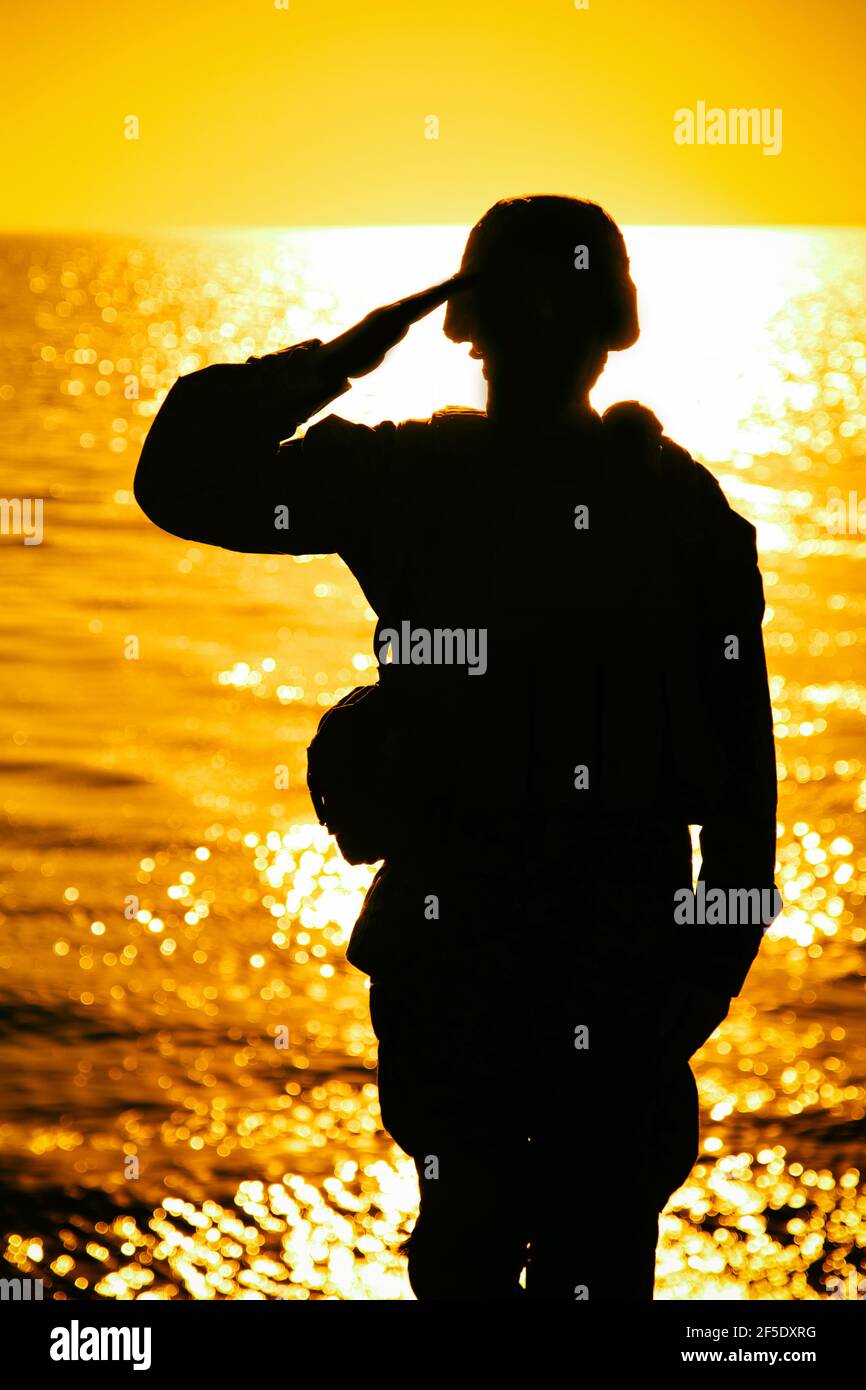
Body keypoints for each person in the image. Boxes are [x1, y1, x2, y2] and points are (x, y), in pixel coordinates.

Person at [134, 195, 778, 1300]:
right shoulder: (678, 514)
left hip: (485, 962)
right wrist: (692, 990)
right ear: (617, 323)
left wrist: (340, 357)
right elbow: (739, 816)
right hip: (588, 967)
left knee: (473, 1253)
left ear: (461, 328)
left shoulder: (410, 485)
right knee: (577, 1261)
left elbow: (183, 474)